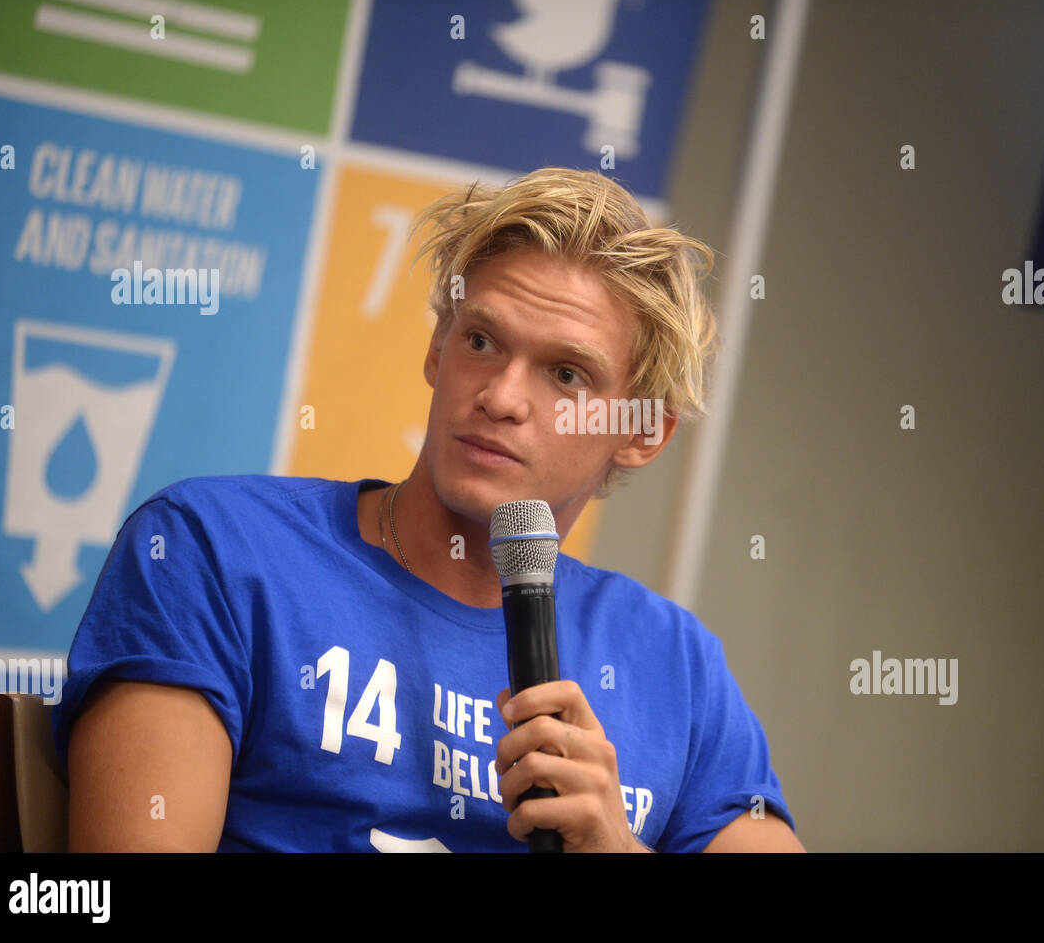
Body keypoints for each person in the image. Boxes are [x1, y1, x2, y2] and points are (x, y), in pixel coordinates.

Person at [52, 167, 803, 852]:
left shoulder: (675, 664)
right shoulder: (212, 548)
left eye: (566, 374)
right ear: (438, 347)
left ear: (640, 433)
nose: (502, 397)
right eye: (481, 339)